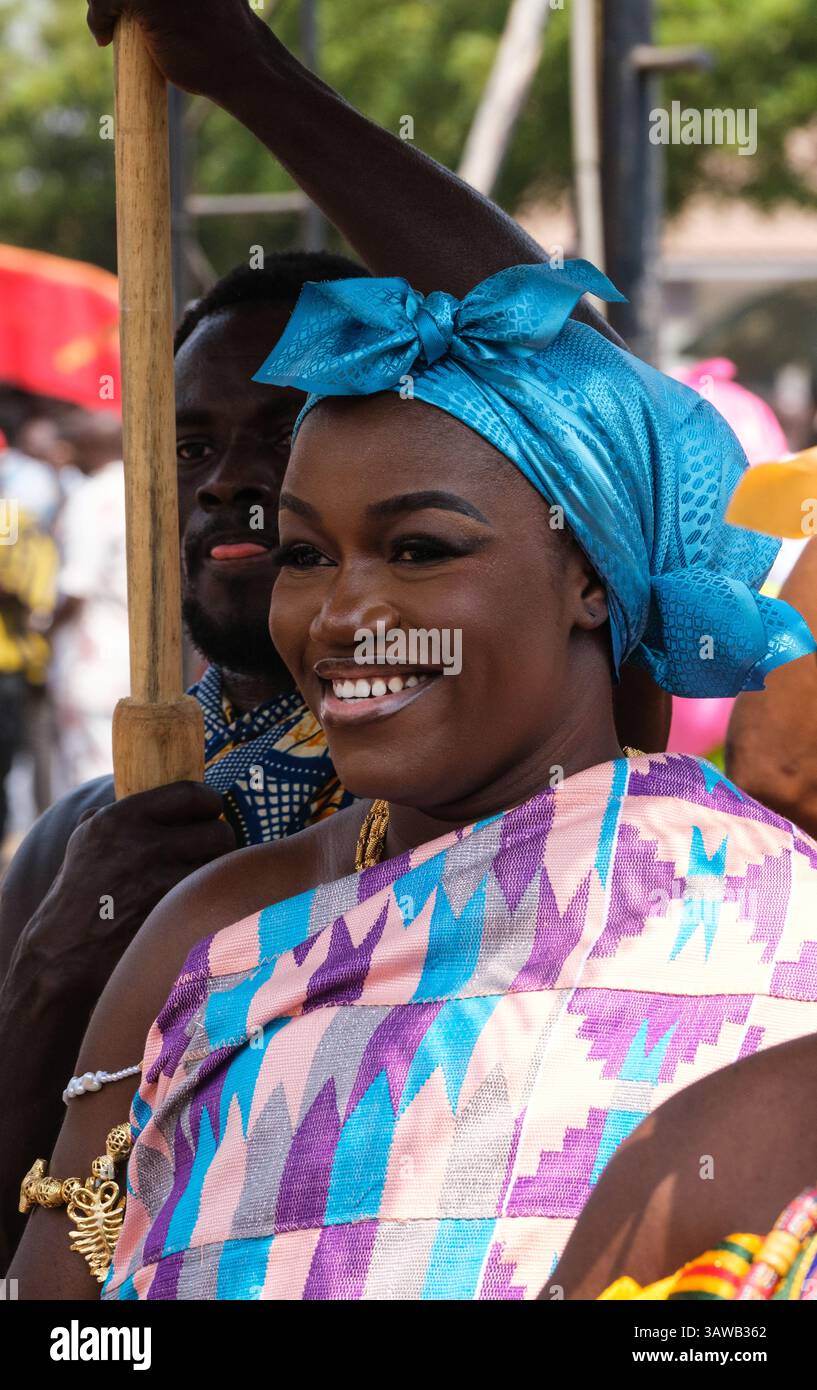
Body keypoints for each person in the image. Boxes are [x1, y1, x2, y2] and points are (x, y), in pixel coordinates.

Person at [0, 0, 667, 1268]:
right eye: (192, 444)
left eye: (283, 434)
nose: (223, 482)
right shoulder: (90, 848)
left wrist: (247, 75)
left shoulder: (523, 772)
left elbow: (574, 369)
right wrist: (50, 997)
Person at [10, 258, 817, 1300]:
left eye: (418, 549)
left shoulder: (765, 910)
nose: (341, 615)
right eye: (306, 556)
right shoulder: (213, 923)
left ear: (590, 572)